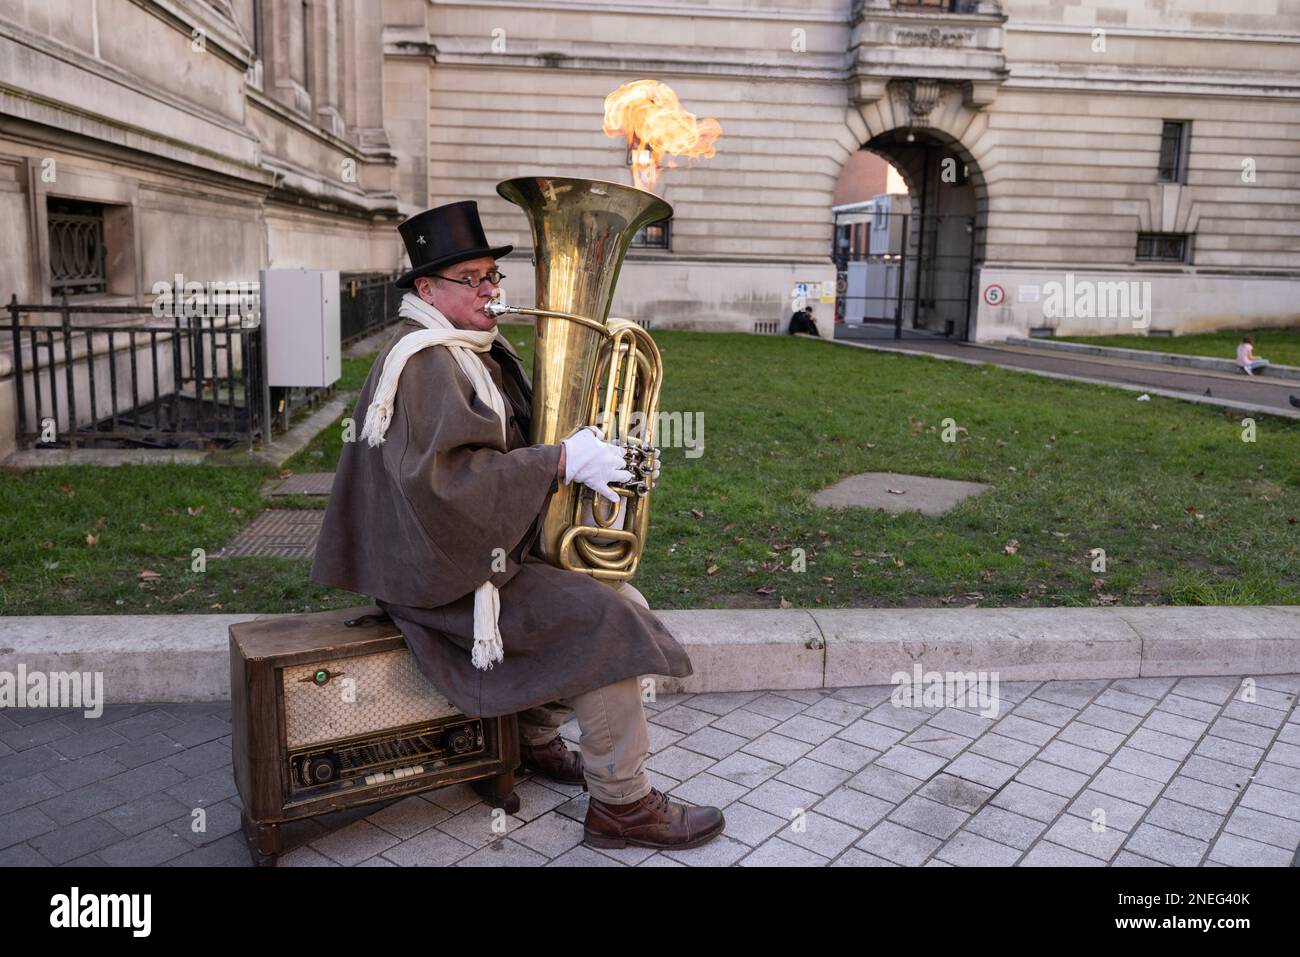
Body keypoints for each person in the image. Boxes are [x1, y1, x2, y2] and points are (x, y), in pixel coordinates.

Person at [311, 200, 725, 850]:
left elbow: (506, 449)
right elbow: (448, 491)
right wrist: (559, 459)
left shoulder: (472, 351)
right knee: (606, 619)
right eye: (470, 279)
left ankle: (531, 738)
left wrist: (589, 451)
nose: (489, 290)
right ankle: (622, 803)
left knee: (625, 600)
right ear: (427, 289)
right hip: (441, 579)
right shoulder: (424, 364)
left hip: (473, 556)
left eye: (491, 276)